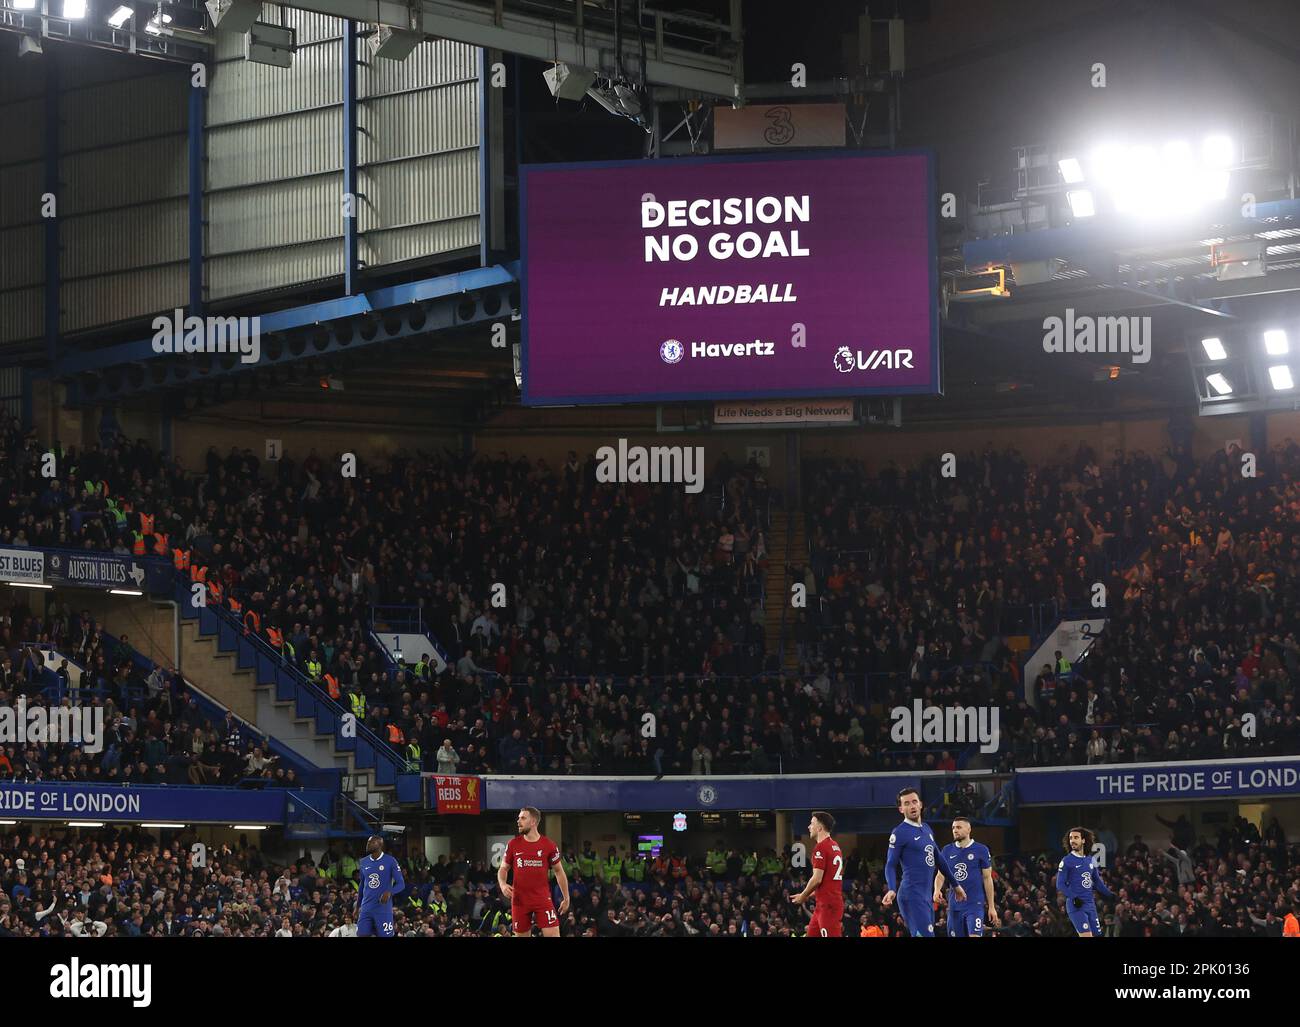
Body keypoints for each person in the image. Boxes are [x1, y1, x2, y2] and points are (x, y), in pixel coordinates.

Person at [882, 787, 966, 937]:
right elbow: (890, 864)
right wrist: (891, 888)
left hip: (925, 896)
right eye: (907, 803)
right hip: (911, 895)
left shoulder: (927, 829)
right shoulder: (899, 832)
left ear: (920, 804)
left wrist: (956, 884)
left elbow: (939, 859)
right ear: (901, 809)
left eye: (914, 802)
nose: (912, 806)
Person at [498, 806, 569, 937]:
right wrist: (502, 884)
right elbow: (503, 868)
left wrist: (566, 897)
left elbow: (559, 872)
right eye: (518, 818)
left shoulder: (549, 845)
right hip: (519, 901)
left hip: (542, 899)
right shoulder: (513, 844)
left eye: (523, 818)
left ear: (533, 822)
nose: (518, 821)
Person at [934, 815, 998, 937]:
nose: (955, 830)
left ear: (969, 830)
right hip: (954, 907)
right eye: (953, 828)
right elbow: (940, 875)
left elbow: (987, 878)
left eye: (958, 827)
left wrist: (991, 906)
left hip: (974, 905)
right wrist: (937, 890)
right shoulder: (946, 850)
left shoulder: (981, 849)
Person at [789, 810, 843, 937]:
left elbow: (817, 879)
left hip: (828, 906)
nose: (809, 826)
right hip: (824, 904)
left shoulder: (820, 847)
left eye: (812, 823)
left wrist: (803, 895)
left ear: (819, 827)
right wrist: (807, 895)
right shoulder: (835, 846)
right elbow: (827, 882)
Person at [1055, 827, 1113, 937]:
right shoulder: (1067, 861)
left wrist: (1110, 895)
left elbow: (1097, 881)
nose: (1072, 840)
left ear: (1083, 840)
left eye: (1076, 837)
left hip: (1090, 905)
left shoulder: (1090, 859)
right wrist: (1074, 897)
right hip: (1076, 906)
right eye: (1071, 838)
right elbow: (1060, 884)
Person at [355, 834, 404, 938]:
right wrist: (358, 906)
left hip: (382, 909)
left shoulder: (390, 861)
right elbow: (362, 886)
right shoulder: (363, 862)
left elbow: (401, 884)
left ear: (380, 844)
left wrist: (390, 892)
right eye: (368, 842)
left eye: (371, 842)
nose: (368, 844)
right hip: (366, 908)